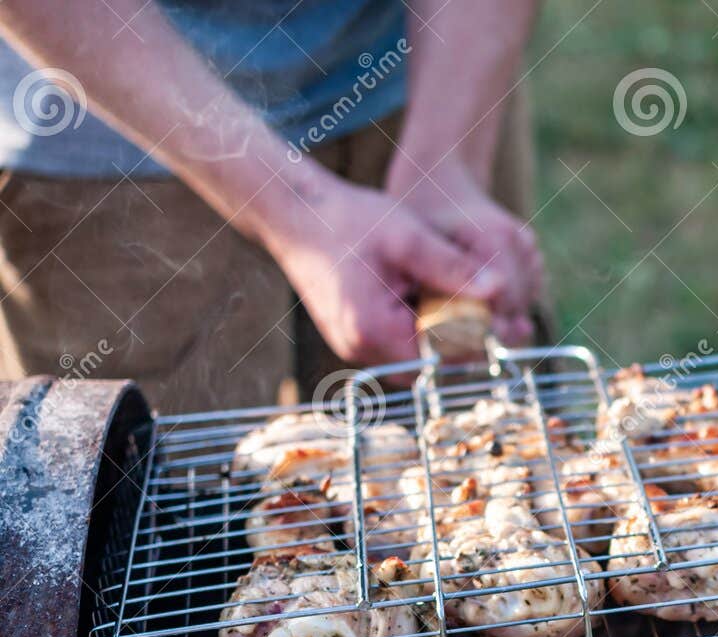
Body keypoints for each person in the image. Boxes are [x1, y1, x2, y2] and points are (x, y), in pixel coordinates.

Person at [0, 0, 545, 412]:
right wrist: (295, 212)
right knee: (181, 513)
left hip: (427, 68)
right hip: (104, 124)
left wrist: (448, 161)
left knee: (478, 452)